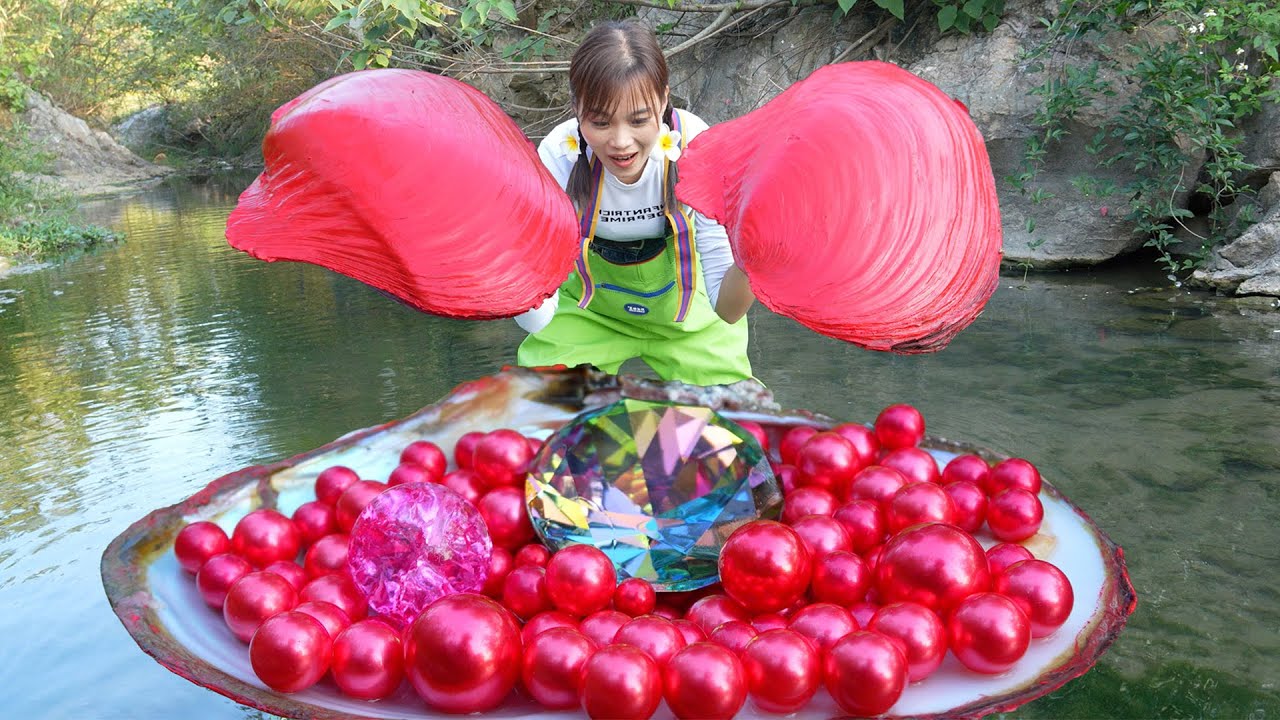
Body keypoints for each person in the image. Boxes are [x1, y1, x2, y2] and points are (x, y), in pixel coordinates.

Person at [516, 21, 756, 387]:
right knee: (541, 409)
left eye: (639, 120)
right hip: (586, 314)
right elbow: (540, 319)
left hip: (688, 318)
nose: (620, 142)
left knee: (727, 418)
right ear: (576, 108)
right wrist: (510, 272)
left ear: (663, 99)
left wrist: (753, 254)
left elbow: (727, 311)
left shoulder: (697, 146)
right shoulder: (559, 155)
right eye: (600, 122)